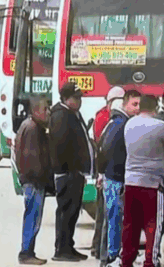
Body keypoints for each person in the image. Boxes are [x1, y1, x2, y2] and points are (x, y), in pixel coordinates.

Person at [118, 94, 164, 267]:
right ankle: (150, 261)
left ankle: (126, 261)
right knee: (153, 225)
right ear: (156, 107)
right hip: (153, 185)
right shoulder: (161, 127)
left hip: (130, 182)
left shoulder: (129, 124)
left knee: (130, 225)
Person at [48, 81, 92, 262]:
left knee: (73, 212)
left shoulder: (72, 113)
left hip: (75, 173)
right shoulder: (60, 116)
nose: (79, 101)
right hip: (68, 173)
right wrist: (71, 170)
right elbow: (61, 147)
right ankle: (61, 249)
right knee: (66, 212)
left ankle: (68, 246)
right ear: (66, 99)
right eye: (76, 98)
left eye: (80, 97)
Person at [97, 89, 141, 267]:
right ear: (125, 104)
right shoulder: (121, 124)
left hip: (111, 177)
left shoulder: (116, 122)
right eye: (134, 104)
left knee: (111, 220)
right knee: (114, 220)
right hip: (116, 179)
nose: (137, 109)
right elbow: (106, 149)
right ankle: (112, 257)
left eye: (139, 105)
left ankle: (108, 256)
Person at [15, 95, 54, 265]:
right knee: (32, 217)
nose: (48, 112)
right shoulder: (32, 129)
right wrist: (45, 181)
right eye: (45, 109)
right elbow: (34, 160)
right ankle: (26, 253)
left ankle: (28, 251)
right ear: (36, 110)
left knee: (32, 216)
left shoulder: (31, 126)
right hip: (34, 182)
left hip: (31, 180)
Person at [92, 86, 126, 260]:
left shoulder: (111, 119)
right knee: (108, 217)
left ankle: (101, 251)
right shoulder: (106, 118)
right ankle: (102, 252)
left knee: (107, 217)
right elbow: (102, 145)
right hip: (109, 174)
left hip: (105, 173)